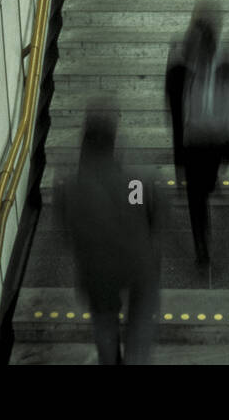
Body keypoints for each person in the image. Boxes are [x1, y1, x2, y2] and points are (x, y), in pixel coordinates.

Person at [57, 106, 161, 365]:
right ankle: (135, 359)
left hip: (96, 269)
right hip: (138, 264)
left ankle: (109, 359)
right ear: (114, 143)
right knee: (139, 323)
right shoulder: (137, 179)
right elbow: (155, 222)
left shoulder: (69, 186)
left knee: (104, 323)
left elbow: (65, 236)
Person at [165, 3, 229, 265]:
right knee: (200, 190)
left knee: (197, 194)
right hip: (215, 136)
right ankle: (201, 244)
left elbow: (174, 107)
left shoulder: (179, 57)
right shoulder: (222, 55)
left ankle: (201, 241)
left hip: (195, 138)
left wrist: (178, 158)